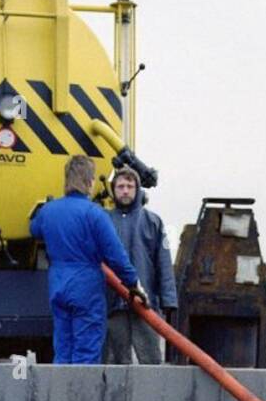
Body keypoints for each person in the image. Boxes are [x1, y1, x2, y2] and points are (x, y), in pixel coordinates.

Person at [29, 155, 146, 365]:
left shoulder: (49, 211)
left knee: (63, 349)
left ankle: (60, 396)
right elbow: (116, 255)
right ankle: (81, 398)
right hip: (86, 287)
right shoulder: (95, 213)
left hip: (58, 285)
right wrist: (133, 283)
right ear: (90, 181)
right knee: (86, 353)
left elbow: (34, 229)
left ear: (67, 180)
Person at [103, 164, 178, 364]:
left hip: (146, 304)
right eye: (120, 186)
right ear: (113, 190)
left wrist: (168, 300)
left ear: (137, 190)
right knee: (114, 362)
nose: (125, 190)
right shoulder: (103, 220)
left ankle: (153, 395)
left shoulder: (154, 222)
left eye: (130, 186)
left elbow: (164, 262)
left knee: (151, 359)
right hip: (113, 305)